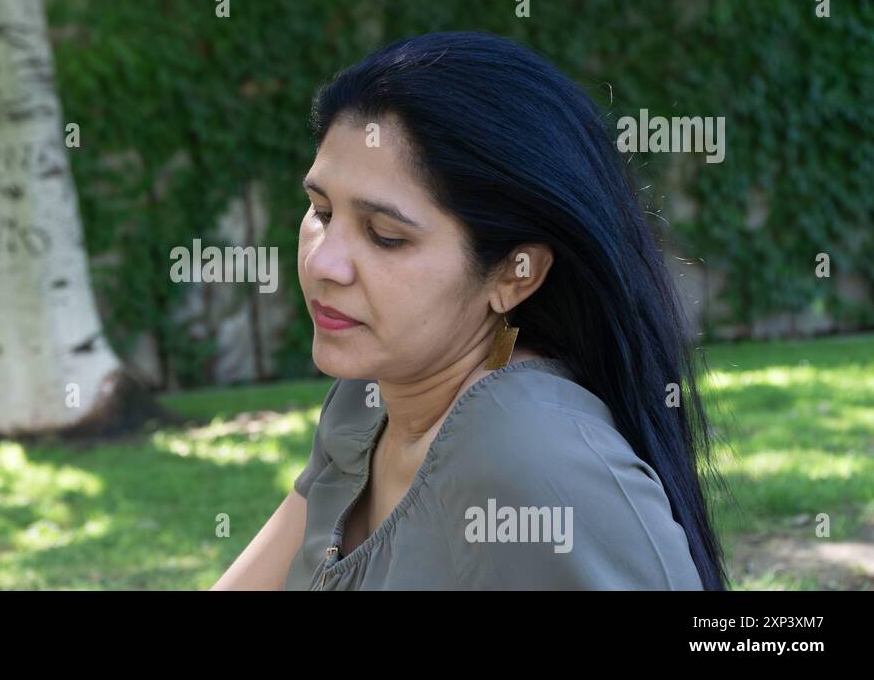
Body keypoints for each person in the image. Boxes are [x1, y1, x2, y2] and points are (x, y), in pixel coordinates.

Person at [212, 31, 726, 590]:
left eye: (385, 236)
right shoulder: (366, 403)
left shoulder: (532, 456)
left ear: (513, 272)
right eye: (320, 211)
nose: (324, 263)